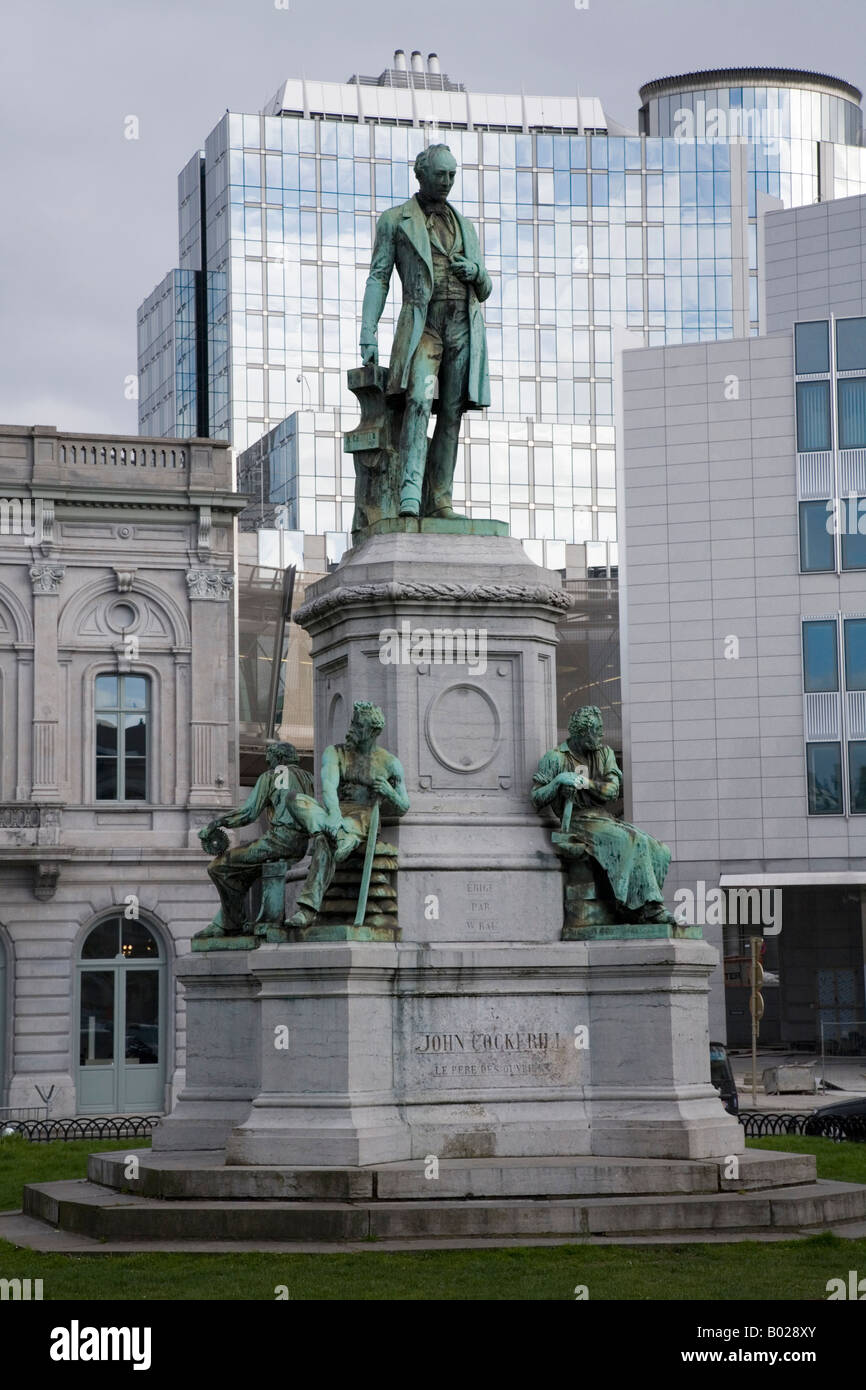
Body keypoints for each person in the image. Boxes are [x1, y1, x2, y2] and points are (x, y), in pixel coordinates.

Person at [359, 143, 491, 519]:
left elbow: (485, 288)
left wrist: (476, 273)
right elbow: (378, 278)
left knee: (452, 412)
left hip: (463, 327)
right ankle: (410, 495)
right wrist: (368, 333)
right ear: (421, 174)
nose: (447, 182)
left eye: (452, 175)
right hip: (424, 326)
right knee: (418, 400)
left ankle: (442, 499)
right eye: (440, 174)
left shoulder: (465, 225)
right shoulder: (395, 220)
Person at [532, 705, 676, 925]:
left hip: (602, 817)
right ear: (582, 732)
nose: (601, 734)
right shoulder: (556, 758)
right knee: (631, 840)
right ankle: (649, 909)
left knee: (660, 849)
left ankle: (637, 909)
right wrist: (559, 781)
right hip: (578, 822)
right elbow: (536, 797)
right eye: (596, 730)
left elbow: (612, 790)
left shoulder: (604, 753)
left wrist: (586, 783)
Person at [286, 701, 409, 929]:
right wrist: (333, 815)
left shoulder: (390, 763)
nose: (352, 728)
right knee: (294, 799)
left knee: (324, 840)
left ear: (372, 731)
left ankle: (306, 911)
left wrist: (389, 792)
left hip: (362, 818)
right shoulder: (335, 752)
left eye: (358, 725)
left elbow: (404, 805)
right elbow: (329, 786)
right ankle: (341, 838)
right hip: (334, 813)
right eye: (352, 722)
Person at [196, 742, 313, 939]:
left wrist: (217, 823)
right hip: (300, 845)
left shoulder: (271, 776)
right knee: (242, 872)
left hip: (278, 842)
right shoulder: (309, 777)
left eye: (270, 756)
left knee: (218, 867)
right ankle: (224, 921)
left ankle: (232, 924)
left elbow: (249, 813)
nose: (267, 760)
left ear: (279, 758)